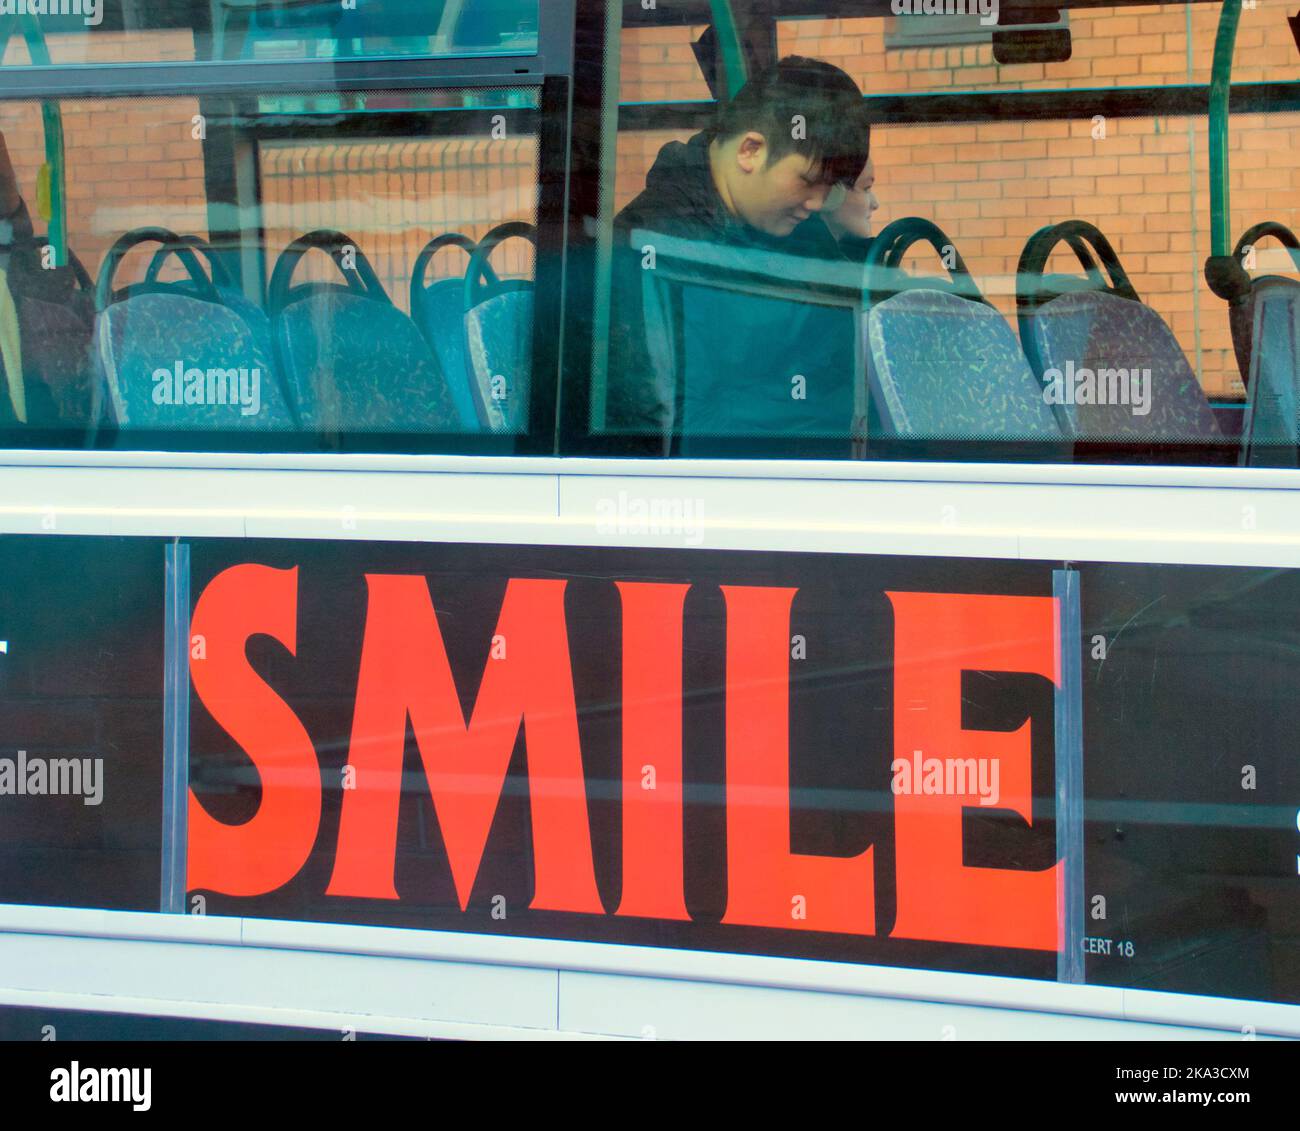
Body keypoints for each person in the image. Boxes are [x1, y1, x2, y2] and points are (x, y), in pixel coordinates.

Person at [606, 56, 875, 440]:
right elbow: (659, 423)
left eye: (830, 189)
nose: (817, 204)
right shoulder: (654, 245)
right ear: (750, 150)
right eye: (808, 181)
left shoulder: (794, 228)